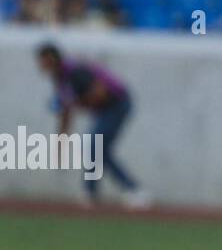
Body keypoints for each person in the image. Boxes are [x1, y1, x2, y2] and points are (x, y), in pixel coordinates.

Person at [35, 43, 151, 208]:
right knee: (99, 150)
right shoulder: (60, 79)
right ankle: (110, 191)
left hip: (117, 104)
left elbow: (100, 92)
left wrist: (76, 101)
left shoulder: (74, 72)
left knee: (94, 146)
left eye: (42, 61)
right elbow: (66, 115)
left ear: (50, 59)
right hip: (106, 109)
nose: (40, 66)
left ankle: (121, 191)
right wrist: (60, 146)